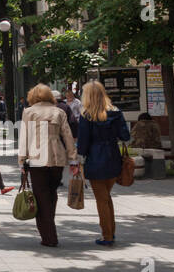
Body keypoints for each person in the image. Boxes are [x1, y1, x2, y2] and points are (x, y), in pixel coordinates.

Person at [17, 84, 79, 247]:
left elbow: (24, 137)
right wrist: (73, 159)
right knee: (51, 192)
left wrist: (22, 161)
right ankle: (49, 225)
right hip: (57, 158)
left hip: (37, 159)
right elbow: (68, 136)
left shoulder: (28, 112)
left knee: (41, 196)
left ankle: (49, 236)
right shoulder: (58, 111)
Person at [76, 80, 130, 246]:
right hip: (113, 158)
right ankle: (110, 232)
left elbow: (83, 143)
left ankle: (107, 235)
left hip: (95, 160)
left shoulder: (87, 115)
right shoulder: (116, 112)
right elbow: (125, 136)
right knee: (106, 197)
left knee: (102, 199)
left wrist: (79, 158)